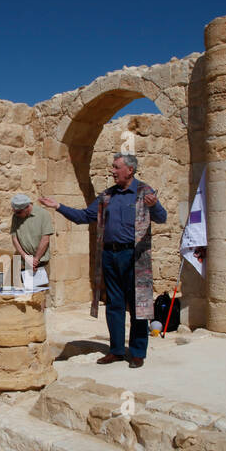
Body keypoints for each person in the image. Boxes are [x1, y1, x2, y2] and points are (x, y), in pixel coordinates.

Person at [40, 153, 167, 368]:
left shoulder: (144, 192)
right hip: (109, 255)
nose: (113, 171)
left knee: (137, 305)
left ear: (130, 170)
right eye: (113, 167)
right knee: (113, 304)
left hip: (134, 256)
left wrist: (154, 206)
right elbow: (84, 217)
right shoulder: (107, 196)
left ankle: (137, 352)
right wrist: (58, 206)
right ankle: (116, 350)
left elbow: (161, 217)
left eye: (117, 167)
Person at [10, 192, 54, 281]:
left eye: (18, 212)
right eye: (14, 212)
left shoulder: (43, 215)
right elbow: (14, 238)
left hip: (41, 262)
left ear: (27, 207)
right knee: (25, 293)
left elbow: (45, 239)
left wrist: (35, 260)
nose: (16, 214)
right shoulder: (16, 217)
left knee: (41, 293)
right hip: (24, 261)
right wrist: (26, 257)